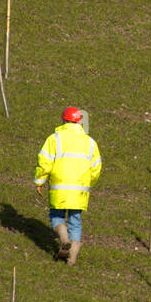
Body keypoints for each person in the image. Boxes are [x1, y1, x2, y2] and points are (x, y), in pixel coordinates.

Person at [33, 107, 102, 265]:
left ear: (63, 120)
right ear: (79, 121)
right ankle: (72, 257)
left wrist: (40, 181)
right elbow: (96, 167)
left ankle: (64, 238)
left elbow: (45, 163)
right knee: (75, 220)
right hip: (80, 189)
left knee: (56, 215)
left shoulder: (54, 139)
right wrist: (88, 182)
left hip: (59, 187)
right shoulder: (90, 142)